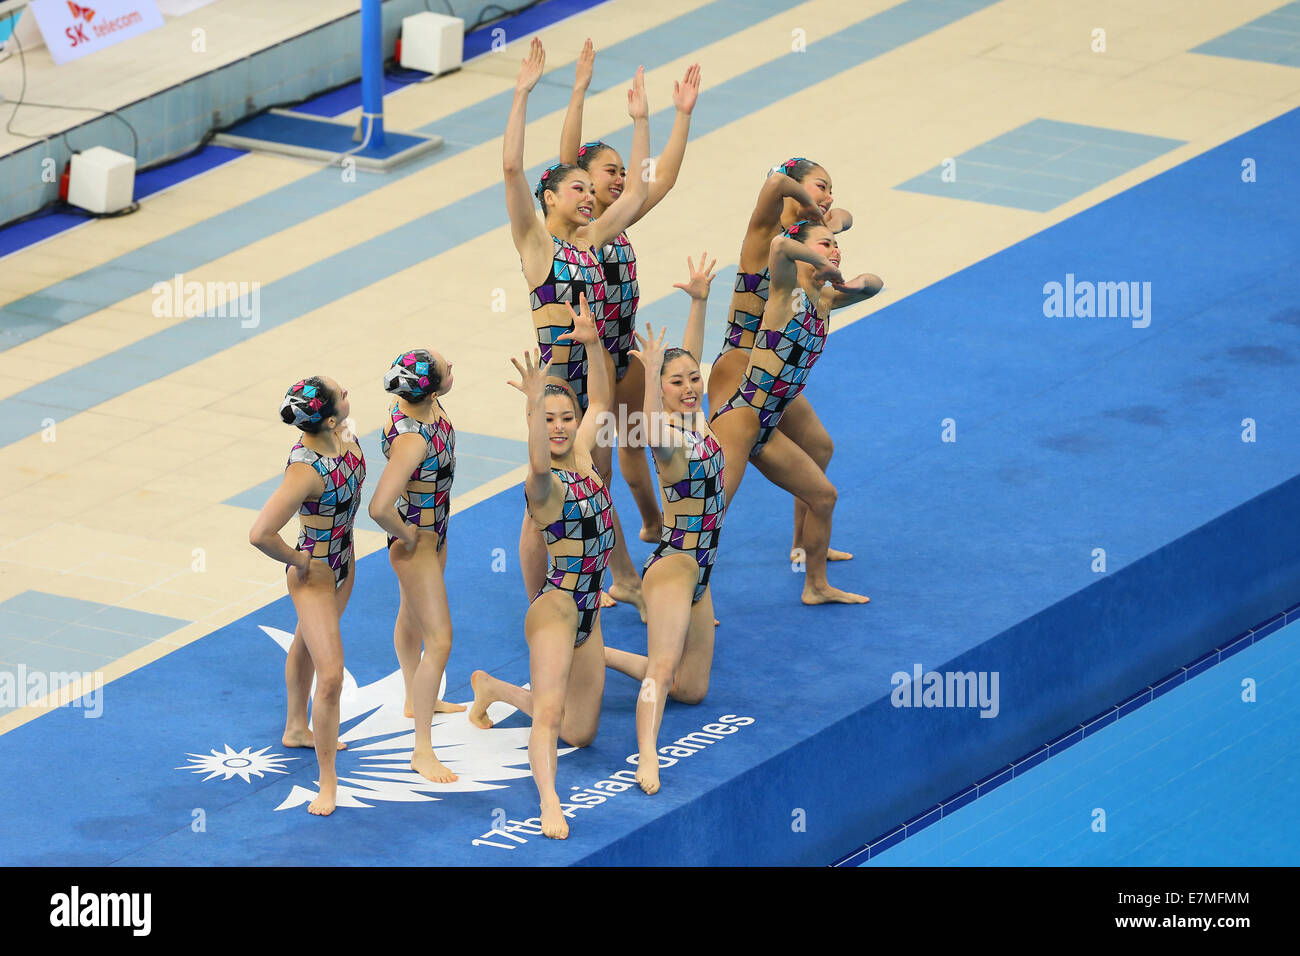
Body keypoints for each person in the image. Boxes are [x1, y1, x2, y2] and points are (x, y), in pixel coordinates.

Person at [504, 36, 649, 617]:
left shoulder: (591, 239)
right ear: (549, 197)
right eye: (579, 188)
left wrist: (641, 121)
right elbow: (512, 166)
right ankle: (538, 602)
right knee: (539, 498)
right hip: (556, 390)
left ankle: (616, 576)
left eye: (593, 190)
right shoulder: (537, 245)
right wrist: (522, 94)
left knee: (594, 479)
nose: (592, 197)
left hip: (596, 381)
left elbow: (637, 190)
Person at [468, 296, 614, 840]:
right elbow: (535, 460)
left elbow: (602, 395)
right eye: (546, 420)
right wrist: (532, 405)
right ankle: (550, 800)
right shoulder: (541, 482)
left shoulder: (583, 453)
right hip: (555, 609)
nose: (557, 428)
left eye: (563, 418)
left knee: (582, 733)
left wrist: (593, 342)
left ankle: (491, 688)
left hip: (589, 612)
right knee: (550, 720)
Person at [559, 38, 702, 546]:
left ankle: (651, 523)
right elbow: (565, 158)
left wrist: (681, 114)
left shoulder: (617, 222)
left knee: (640, 441)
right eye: (610, 171)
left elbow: (659, 178)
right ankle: (606, 564)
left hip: (620, 352)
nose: (620, 178)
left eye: (623, 171)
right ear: (581, 180)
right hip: (585, 360)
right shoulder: (579, 229)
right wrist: (578, 89)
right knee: (594, 472)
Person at [707, 158, 880, 564]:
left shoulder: (813, 240)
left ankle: (804, 547)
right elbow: (776, 181)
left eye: (829, 190)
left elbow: (846, 217)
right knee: (721, 487)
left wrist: (825, 223)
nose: (828, 197)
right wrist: (811, 209)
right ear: (796, 189)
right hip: (741, 363)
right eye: (821, 186)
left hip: (776, 364)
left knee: (819, 447)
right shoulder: (767, 234)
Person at [603, 254, 723, 794]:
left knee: (690, 689)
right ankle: (646, 756)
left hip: (703, 570)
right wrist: (651, 375)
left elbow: (693, 356)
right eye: (679, 382)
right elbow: (648, 425)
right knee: (661, 671)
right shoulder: (669, 436)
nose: (691, 386)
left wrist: (698, 301)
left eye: (694, 379)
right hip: (674, 568)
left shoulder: (695, 414)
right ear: (664, 389)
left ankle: (594, 651)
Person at [249, 376, 364, 815]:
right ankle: (328, 782)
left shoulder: (341, 434)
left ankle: (297, 726)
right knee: (331, 676)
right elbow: (260, 533)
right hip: (314, 573)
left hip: (343, 562)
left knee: (307, 643)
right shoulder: (304, 471)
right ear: (329, 417)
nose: (350, 393)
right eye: (344, 393)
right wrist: (298, 561)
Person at [368, 349, 464, 784]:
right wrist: (410, 539)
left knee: (410, 615)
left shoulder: (418, 404)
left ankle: (413, 696)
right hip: (418, 542)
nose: (452, 367)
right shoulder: (413, 439)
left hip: (432, 531)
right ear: (431, 388)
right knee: (440, 641)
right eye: (446, 368)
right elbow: (379, 507)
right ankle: (422, 749)